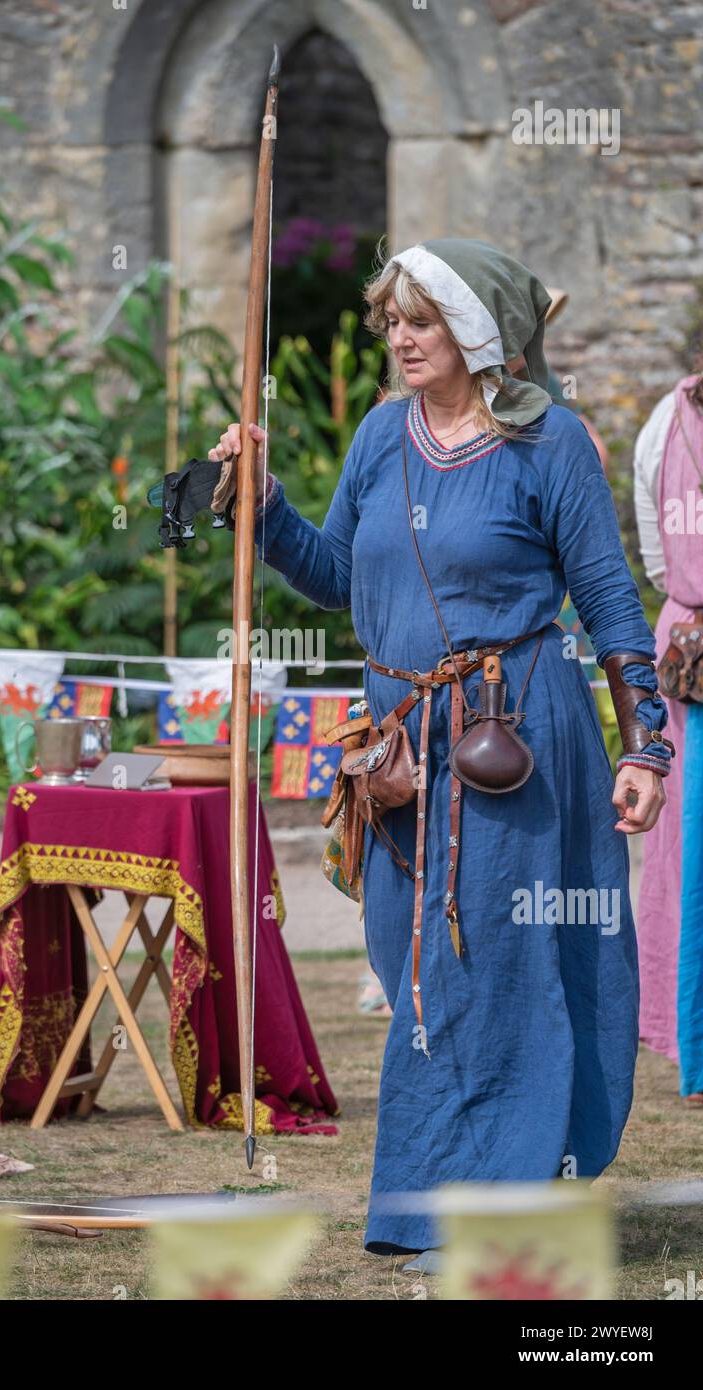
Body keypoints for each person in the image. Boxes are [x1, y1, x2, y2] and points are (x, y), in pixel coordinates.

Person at [209, 237, 671, 1264]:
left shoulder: (551, 444)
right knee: (409, 960)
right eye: (391, 320)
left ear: (476, 332)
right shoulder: (381, 435)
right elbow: (334, 576)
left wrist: (647, 747)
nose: (400, 337)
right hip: (399, 749)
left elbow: (608, 605)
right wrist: (266, 504)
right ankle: (441, 1194)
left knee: (492, 964)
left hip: (515, 738)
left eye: (421, 320)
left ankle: (489, 1212)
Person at [633, 368, 703, 1105]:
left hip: (684, 630)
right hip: (692, 655)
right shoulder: (667, 420)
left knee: (687, 845)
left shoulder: (663, 419)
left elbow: (657, 558)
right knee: (689, 845)